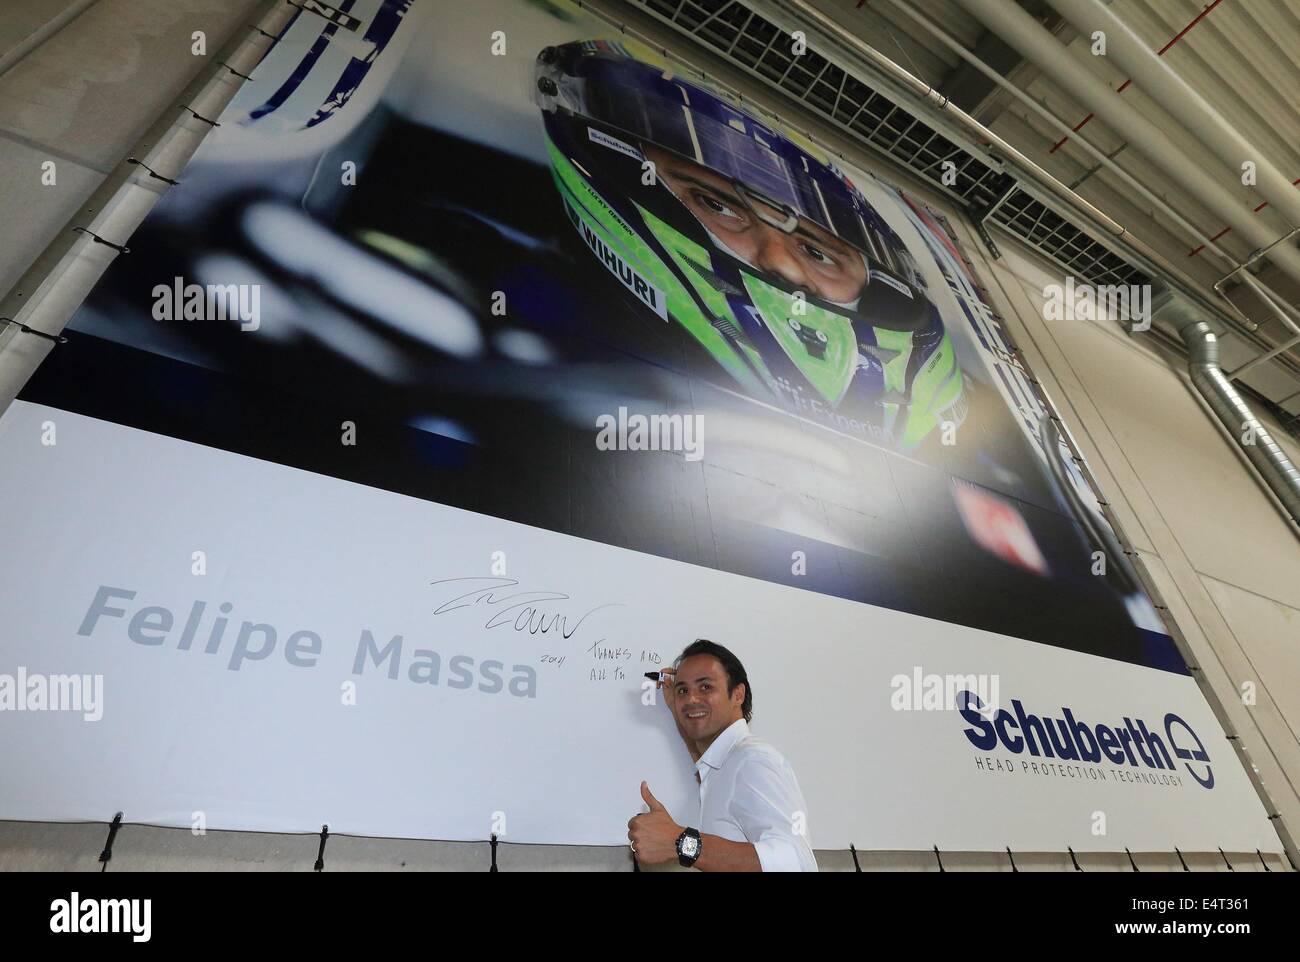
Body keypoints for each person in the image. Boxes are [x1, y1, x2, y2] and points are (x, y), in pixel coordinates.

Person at [628, 639, 818, 871]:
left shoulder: (754, 761)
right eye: (683, 690)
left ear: (738, 694)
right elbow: (707, 766)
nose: (691, 699)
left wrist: (679, 842)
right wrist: (677, 713)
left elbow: (798, 862)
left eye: (705, 687)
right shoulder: (725, 763)